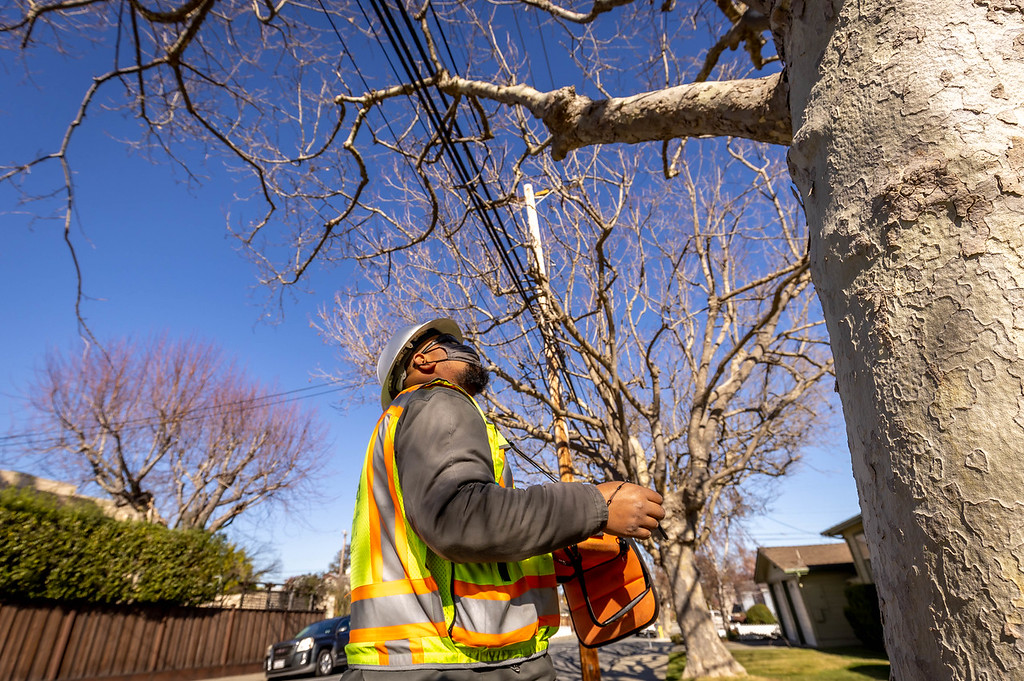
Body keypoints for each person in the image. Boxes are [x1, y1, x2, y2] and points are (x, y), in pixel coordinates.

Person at [343, 318, 665, 681]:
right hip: (458, 664)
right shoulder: (439, 399)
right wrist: (595, 506)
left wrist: (547, 549)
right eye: (451, 341)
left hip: (429, 660)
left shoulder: (404, 421)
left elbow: (459, 537)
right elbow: (460, 518)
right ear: (422, 360)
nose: (467, 347)